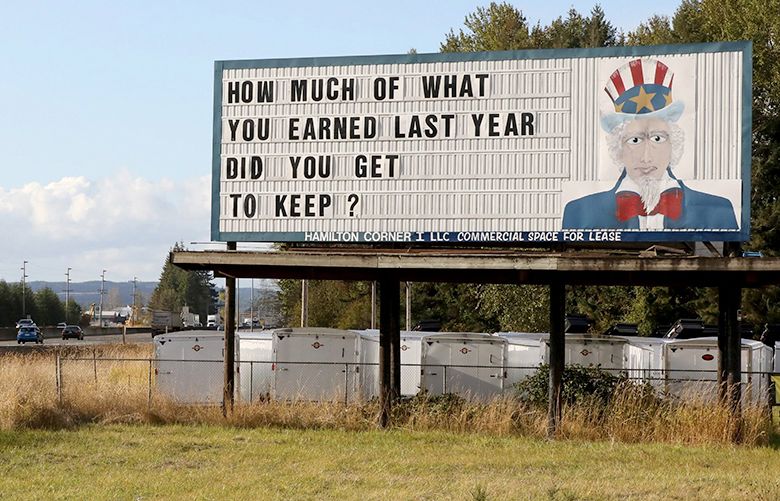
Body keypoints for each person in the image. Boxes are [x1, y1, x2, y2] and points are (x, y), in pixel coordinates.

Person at [562, 58, 738, 230]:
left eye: (657, 139)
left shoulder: (719, 210)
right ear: (619, 150)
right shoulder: (577, 212)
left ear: (673, 146)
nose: (646, 157)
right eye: (635, 140)